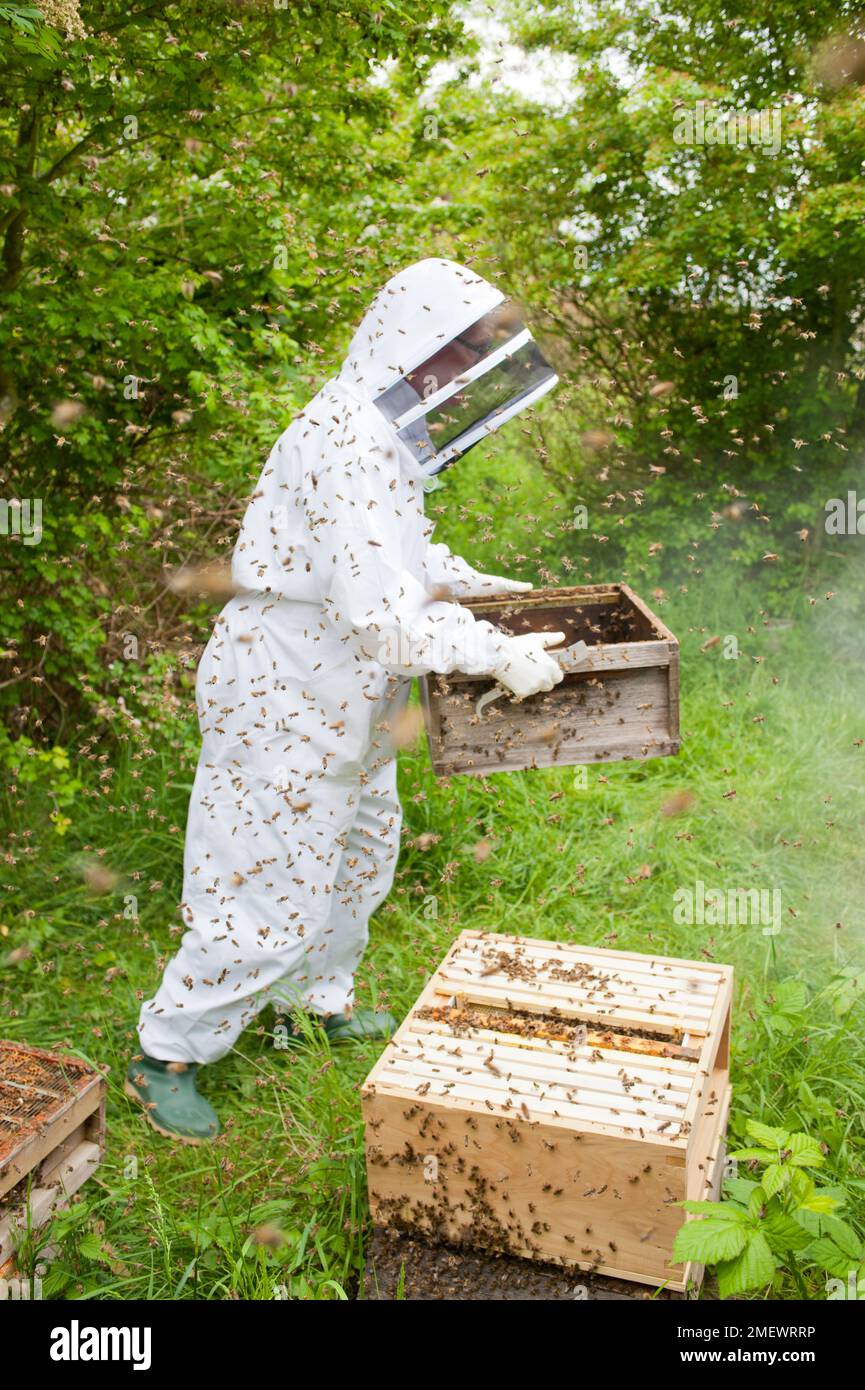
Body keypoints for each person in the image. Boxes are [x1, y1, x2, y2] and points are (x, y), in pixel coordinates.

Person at [126, 257, 563, 1142]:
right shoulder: (343, 439)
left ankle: (308, 1004)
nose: (456, 374)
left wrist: (489, 591)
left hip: (347, 689)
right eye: (452, 352)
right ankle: (167, 1051)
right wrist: (493, 651)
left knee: (360, 847)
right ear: (408, 340)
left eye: (469, 355)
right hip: (285, 681)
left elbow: (400, 560)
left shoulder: (382, 437)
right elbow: (380, 616)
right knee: (263, 868)